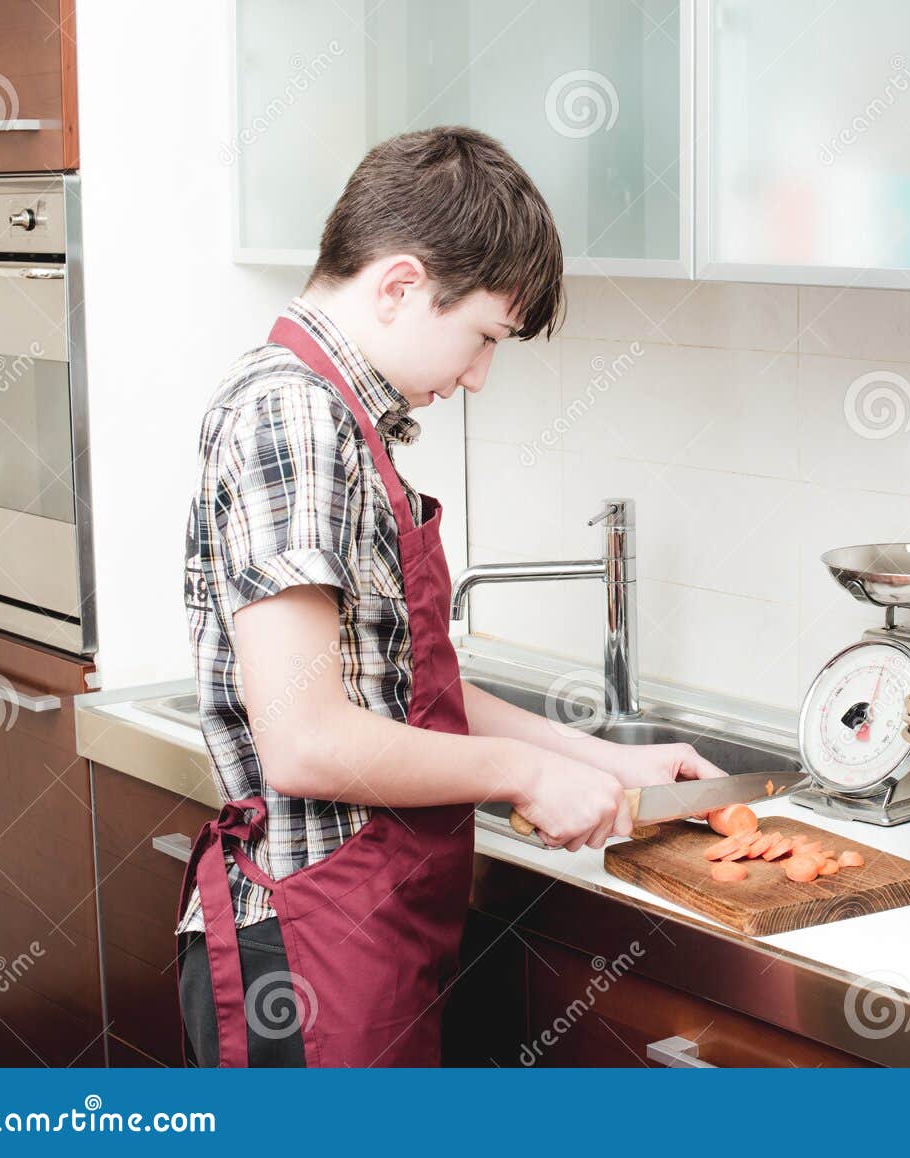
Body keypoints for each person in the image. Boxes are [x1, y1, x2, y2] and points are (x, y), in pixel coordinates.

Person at [176, 127, 724, 1067]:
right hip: (309, 955)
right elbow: (307, 742)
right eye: (481, 337)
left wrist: (596, 759)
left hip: (359, 941)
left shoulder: (341, 419)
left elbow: (408, 693)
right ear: (397, 285)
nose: (477, 375)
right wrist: (523, 777)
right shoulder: (296, 416)